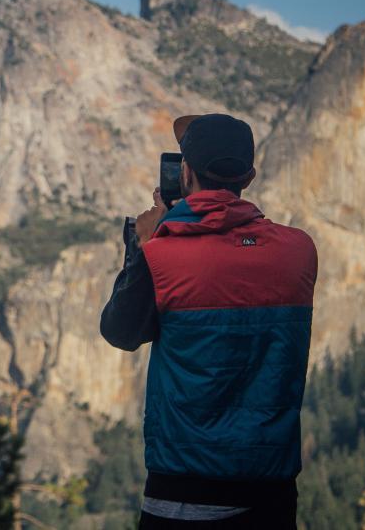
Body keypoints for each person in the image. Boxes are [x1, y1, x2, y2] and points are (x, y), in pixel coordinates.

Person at [99, 113, 318, 529]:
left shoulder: (163, 254)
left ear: (184, 173)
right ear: (248, 177)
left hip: (183, 496)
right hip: (272, 495)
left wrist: (145, 245)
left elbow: (121, 332)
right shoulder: (299, 250)